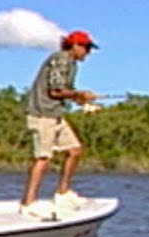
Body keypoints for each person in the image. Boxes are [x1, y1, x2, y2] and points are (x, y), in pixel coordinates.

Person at [20, 29, 99, 220]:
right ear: (75, 45)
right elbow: (55, 91)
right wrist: (80, 94)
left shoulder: (72, 64)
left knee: (75, 150)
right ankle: (28, 203)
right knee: (43, 158)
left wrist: (82, 100)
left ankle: (63, 193)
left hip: (55, 115)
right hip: (42, 115)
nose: (88, 53)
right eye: (86, 48)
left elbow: (66, 92)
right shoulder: (60, 59)